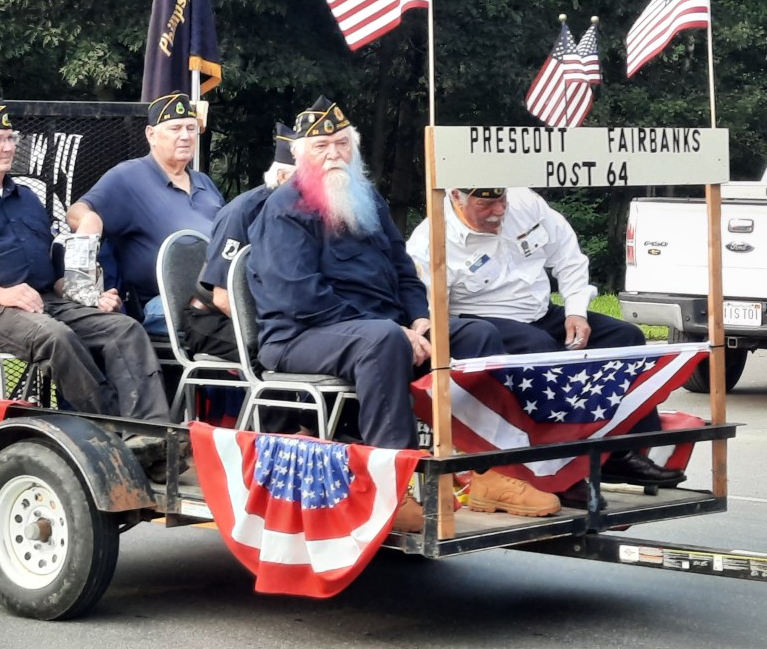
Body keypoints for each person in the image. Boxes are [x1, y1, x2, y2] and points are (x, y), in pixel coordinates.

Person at [247, 97, 561, 528]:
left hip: (382, 327)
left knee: (474, 335)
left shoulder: (366, 199)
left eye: (341, 144)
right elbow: (300, 296)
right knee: (383, 341)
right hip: (299, 334)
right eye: (320, 146)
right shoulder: (283, 210)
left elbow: (404, 270)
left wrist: (419, 319)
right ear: (299, 154)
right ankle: (394, 486)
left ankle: (487, 469)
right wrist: (393, 328)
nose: (333, 154)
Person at [406, 186, 687, 505]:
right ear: (456, 196)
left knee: (626, 338)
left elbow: (569, 258)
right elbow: (424, 310)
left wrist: (576, 311)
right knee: (542, 354)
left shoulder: (525, 204)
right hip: (483, 319)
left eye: (502, 200)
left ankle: (623, 453)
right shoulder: (432, 239)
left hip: (541, 311)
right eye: (486, 203)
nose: (498, 211)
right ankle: (556, 471)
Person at [0, 101, 172, 436]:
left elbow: (52, 275)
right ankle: (113, 427)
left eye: (10, 138)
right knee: (55, 337)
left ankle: (152, 436)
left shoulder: (28, 199)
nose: (8, 146)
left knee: (124, 329)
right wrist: (3, 295)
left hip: (47, 300)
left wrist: (88, 297)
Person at [66, 92, 224, 335]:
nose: (185, 136)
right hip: (164, 305)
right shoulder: (129, 177)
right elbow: (76, 212)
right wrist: (90, 220)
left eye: (191, 128)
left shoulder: (204, 183)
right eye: (175, 128)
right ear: (151, 135)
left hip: (215, 297)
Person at [187, 122, 297, 359]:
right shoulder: (244, 213)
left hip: (270, 318)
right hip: (216, 320)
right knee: (283, 350)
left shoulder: (302, 216)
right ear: (282, 176)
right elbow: (222, 299)